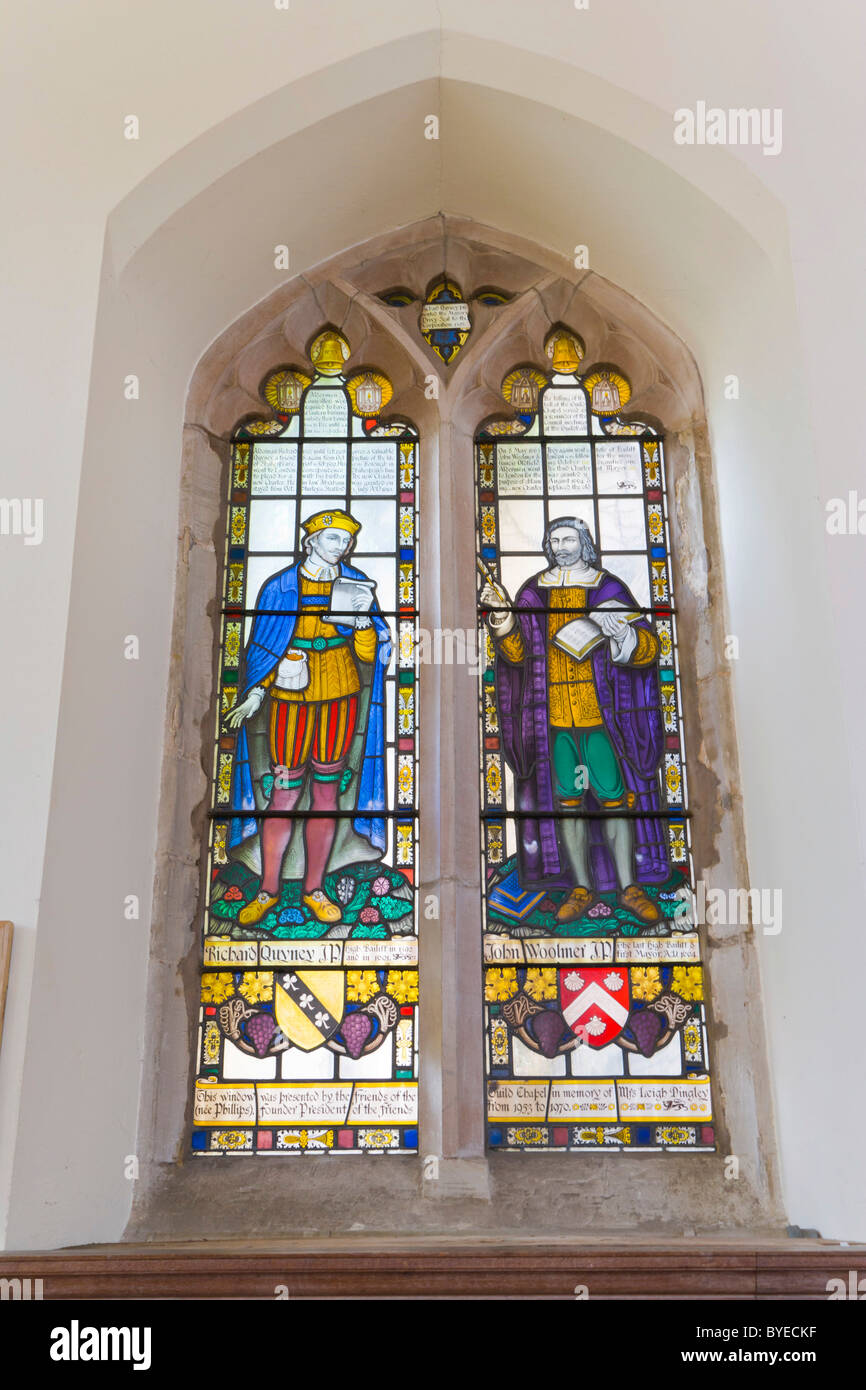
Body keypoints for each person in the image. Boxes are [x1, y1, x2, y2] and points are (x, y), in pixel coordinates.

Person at [479, 517, 666, 924]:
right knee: (568, 804)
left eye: (568, 539)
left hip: (601, 714)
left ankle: (628, 885)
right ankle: (579, 886)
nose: (560, 546)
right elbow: (515, 655)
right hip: (554, 719)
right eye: (553, 540)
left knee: (615, 798)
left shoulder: (608, 588)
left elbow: (648, 648)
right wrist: (502, 619)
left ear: (584, 543)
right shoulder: (532, 593)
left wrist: (622, 636)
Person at [227, 509, 390, 927]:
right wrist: (257, 690)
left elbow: (372, 653)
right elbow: (263, 644)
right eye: (334, 539)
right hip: (289, 694)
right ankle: (268, 889)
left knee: (326, 793)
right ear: (311, 541)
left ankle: (315, 888)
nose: (342, 547)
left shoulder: (356, 587)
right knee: (283, 792)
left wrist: (361, 622)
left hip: (340, 691)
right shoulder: (279, 587)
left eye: (346, 541)